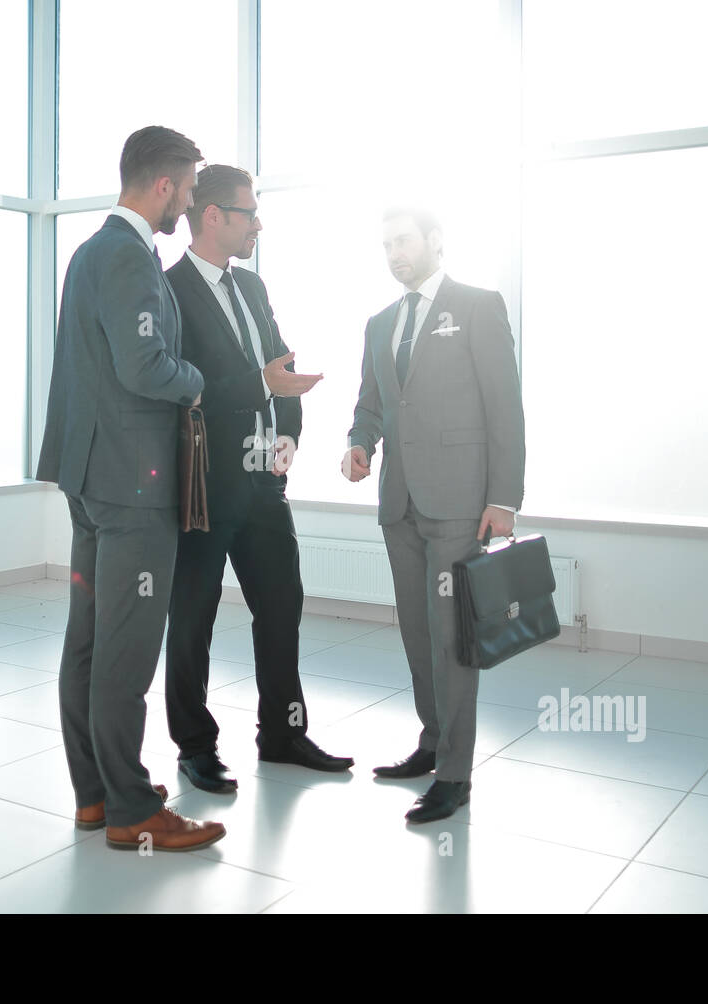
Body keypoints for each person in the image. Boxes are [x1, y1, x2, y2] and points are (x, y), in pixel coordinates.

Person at [36, 126, 224, 851]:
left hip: (90, 476)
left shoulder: (88, 253)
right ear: (164, 186)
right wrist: (199, 379)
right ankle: (131, 808)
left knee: (87, 642)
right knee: (125, 649)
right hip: (133, 484)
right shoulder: (128, 258)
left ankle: (93, 797)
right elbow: (146, 367)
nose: (189, 203)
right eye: (188, 188)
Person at [164, 164, 353, 793]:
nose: (258, 224)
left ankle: (284, 732)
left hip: (262, 476)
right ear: (212, 214)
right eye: (249, 213)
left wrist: (289, 432)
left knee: (282, 603)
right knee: (193, 614)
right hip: (204, 481)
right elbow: (180, 391)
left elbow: (280, 364)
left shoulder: (252, 286)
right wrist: (259, 386)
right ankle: (195, 746)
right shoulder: (169, 292)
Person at [342, 207, 526, 823]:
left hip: (458, 504)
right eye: (386, 242)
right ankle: (431, 742)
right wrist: (359, 443)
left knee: (452, 640)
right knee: (418, 634)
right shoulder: (379, 324)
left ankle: (455, 773)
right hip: (399, 503)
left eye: (403, 240)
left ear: (435, 242)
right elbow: (370, 402)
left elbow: (506, 405)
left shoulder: (478, 306)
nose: (394, 252)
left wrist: (505, 497)